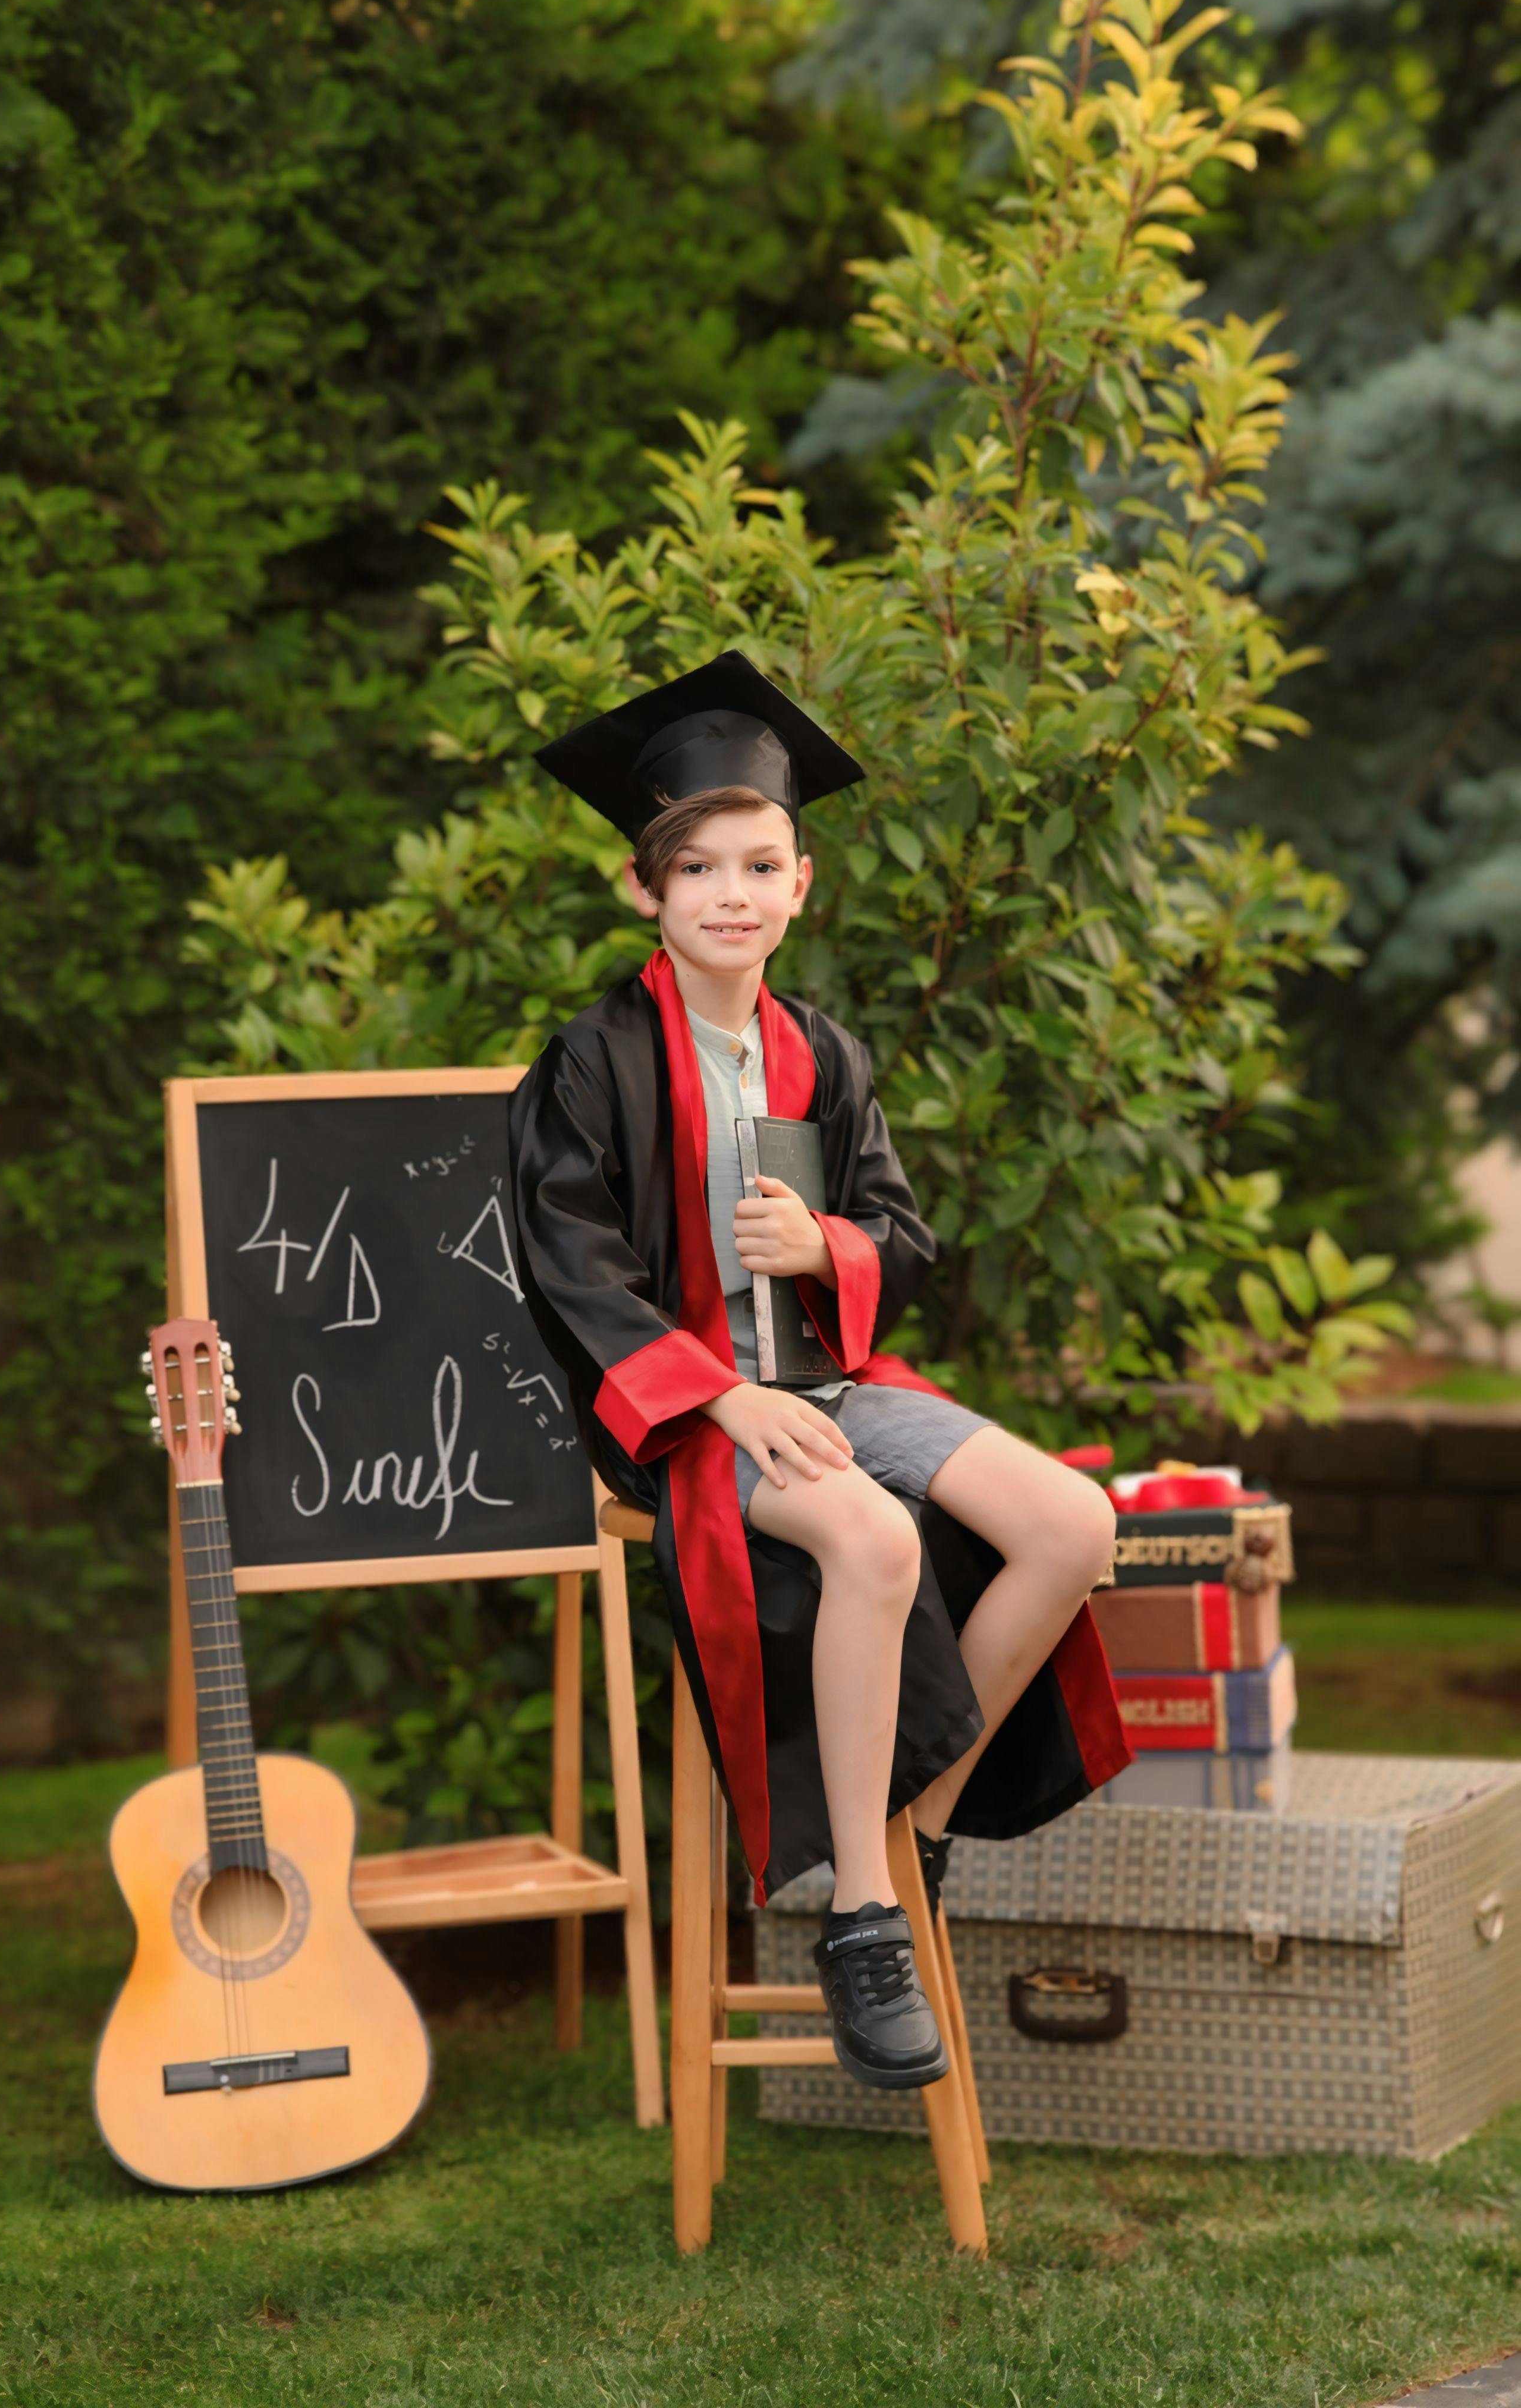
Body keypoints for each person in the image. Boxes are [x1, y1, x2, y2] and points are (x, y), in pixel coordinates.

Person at [509, 651, 1128, 2091]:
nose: (731, 892)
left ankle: (914, 1831)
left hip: (827, 1380)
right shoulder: (590, 1063)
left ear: (803, 884)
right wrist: (723, 1396)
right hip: (690, 1411)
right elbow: (568, 1265)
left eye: (760, 864)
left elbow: (901, 1237)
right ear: (644, 889)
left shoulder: (824, 1056)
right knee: (868, 1533)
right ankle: (862, 1915)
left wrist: (824, 1246)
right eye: (698, 867)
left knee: (1074, 1524)